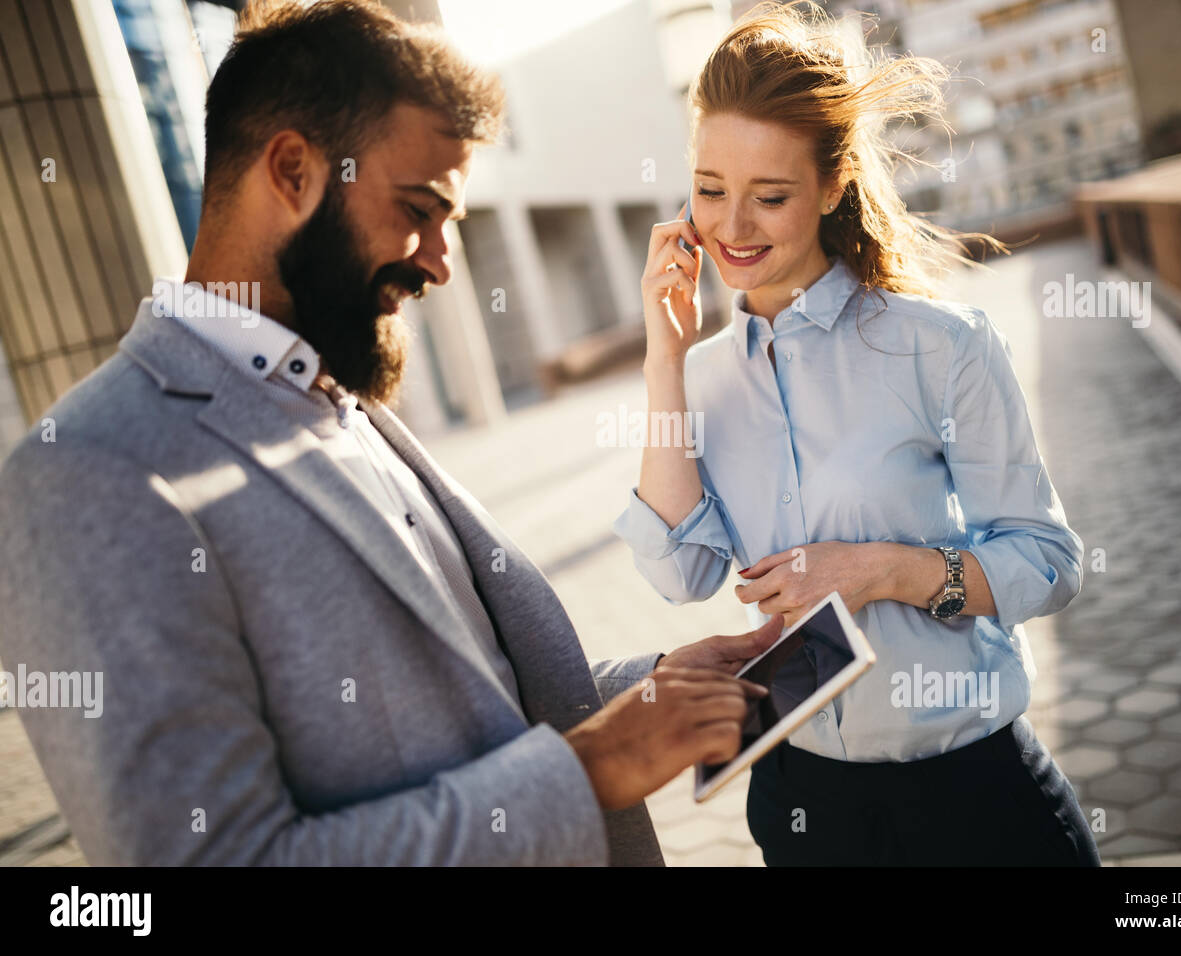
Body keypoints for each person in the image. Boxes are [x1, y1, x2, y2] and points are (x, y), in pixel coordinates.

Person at [0, 0, 782, 866]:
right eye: (419, 206)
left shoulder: (345, 399)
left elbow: (473, 714)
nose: (442, 263)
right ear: (293, 170)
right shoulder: (90, 473)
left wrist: (660, 695)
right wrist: (596, 763)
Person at [614, 2, 1100, 866]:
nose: (732, 227)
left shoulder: (941, 347)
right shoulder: (699, 377)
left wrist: (878, 570)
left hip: (972, 797)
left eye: (770, 196)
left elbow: (1050, 564)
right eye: (710, 190)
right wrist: (664, 358)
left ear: (833, 186)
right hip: (806, 809)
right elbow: (680, 574)